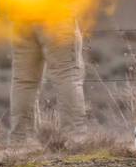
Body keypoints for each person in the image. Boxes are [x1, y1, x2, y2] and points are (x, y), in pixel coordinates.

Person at [9, 16, 87, 145]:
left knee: (24, 81)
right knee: (67, 74)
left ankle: (21, 141)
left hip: (21, 16)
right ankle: (74, 139)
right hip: (55, 13)